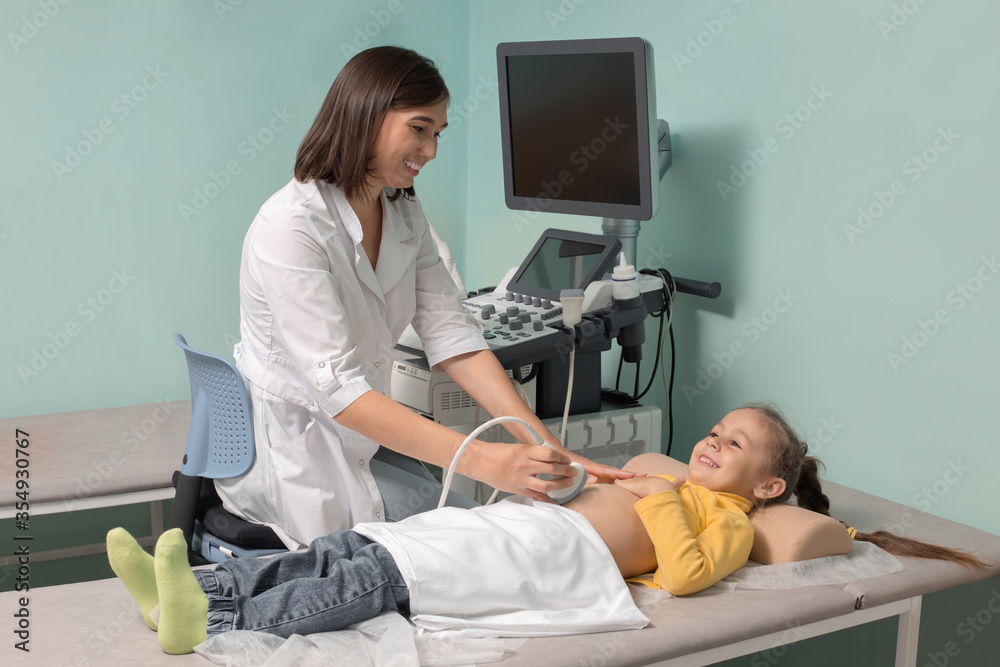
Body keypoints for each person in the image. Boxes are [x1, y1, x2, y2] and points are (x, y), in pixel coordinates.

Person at [108, 402, 988, 654]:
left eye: (737, 446)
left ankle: (216, 619)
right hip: (523, 524)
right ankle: (195, 587)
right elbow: (607, 496)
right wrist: (577, 477)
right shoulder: (668, 477)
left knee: (370, 585)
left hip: (550, 557)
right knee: (360, 548)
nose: (713, 442)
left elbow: (682, 574)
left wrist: (668, 495)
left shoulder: (722, 520)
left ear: (767, 486)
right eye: (714, 431)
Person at [220, 44, 633, 550]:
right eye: (419, 128)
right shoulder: (291, 227)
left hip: (359, 439)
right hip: (302, 450)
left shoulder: (402, 212)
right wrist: (487, 461)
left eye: (437, 134)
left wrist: (545, 445)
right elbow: (340, 393)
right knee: (468, 546)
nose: (431, 151)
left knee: (478, 536)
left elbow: (452, 334)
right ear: (365, 114)